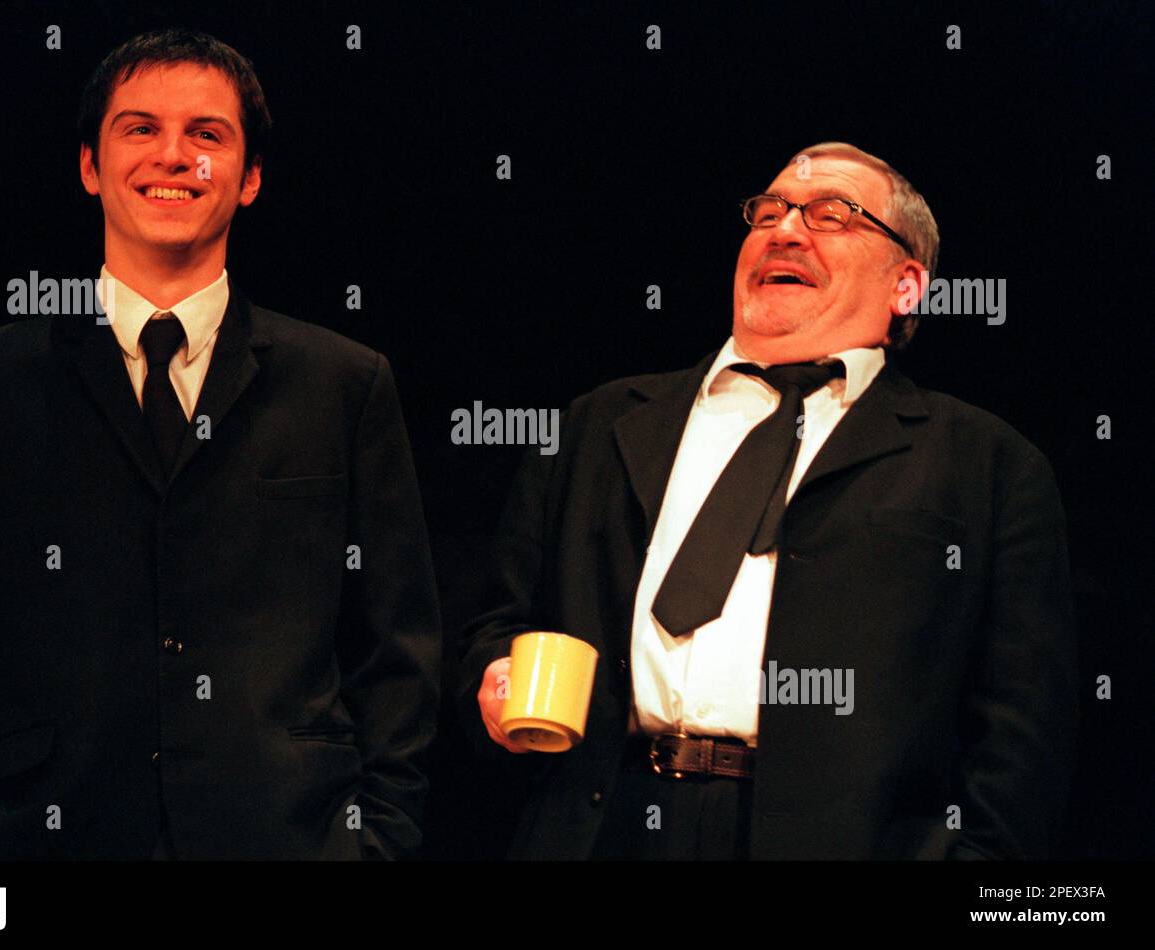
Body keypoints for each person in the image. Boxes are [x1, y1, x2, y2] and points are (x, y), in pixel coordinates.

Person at [0, 28, 440, 860]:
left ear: (250, 178)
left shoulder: (344, 383)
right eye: (140, 129)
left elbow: (400, 651)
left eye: (206, 134)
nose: (173, 155)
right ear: (89, 165)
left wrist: (376, 843)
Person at [461, 142, 1077, 860]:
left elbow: (1023, 735)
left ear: (907, 285)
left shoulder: (984, 462)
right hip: (605, 824)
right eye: (770, 211)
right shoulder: (602, 423)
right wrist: (497, 675)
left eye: (831, 215)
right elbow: (496, 622)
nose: (784, 230)